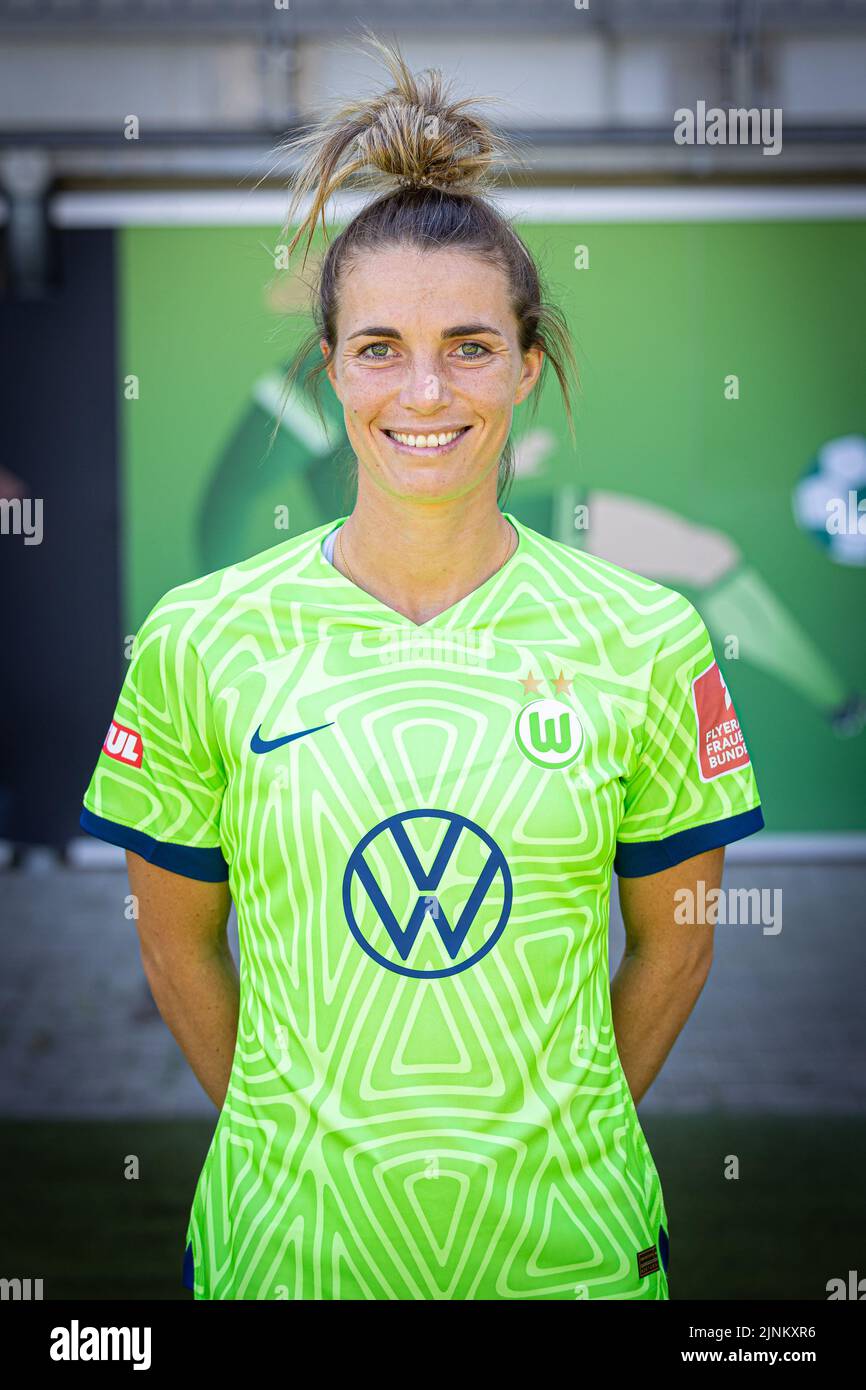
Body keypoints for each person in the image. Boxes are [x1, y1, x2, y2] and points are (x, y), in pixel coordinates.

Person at [80, 35, 764, 1300]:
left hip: (571, 1262)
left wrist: (553, 1144)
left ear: (524, 362)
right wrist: (300, 1147)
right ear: (330, 368)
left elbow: (675, 951)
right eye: (380, 346)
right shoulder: (199, 637)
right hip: (285, 1259)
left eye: (467, 344)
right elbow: (178, 951)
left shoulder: (645, 637)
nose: (424, 388)